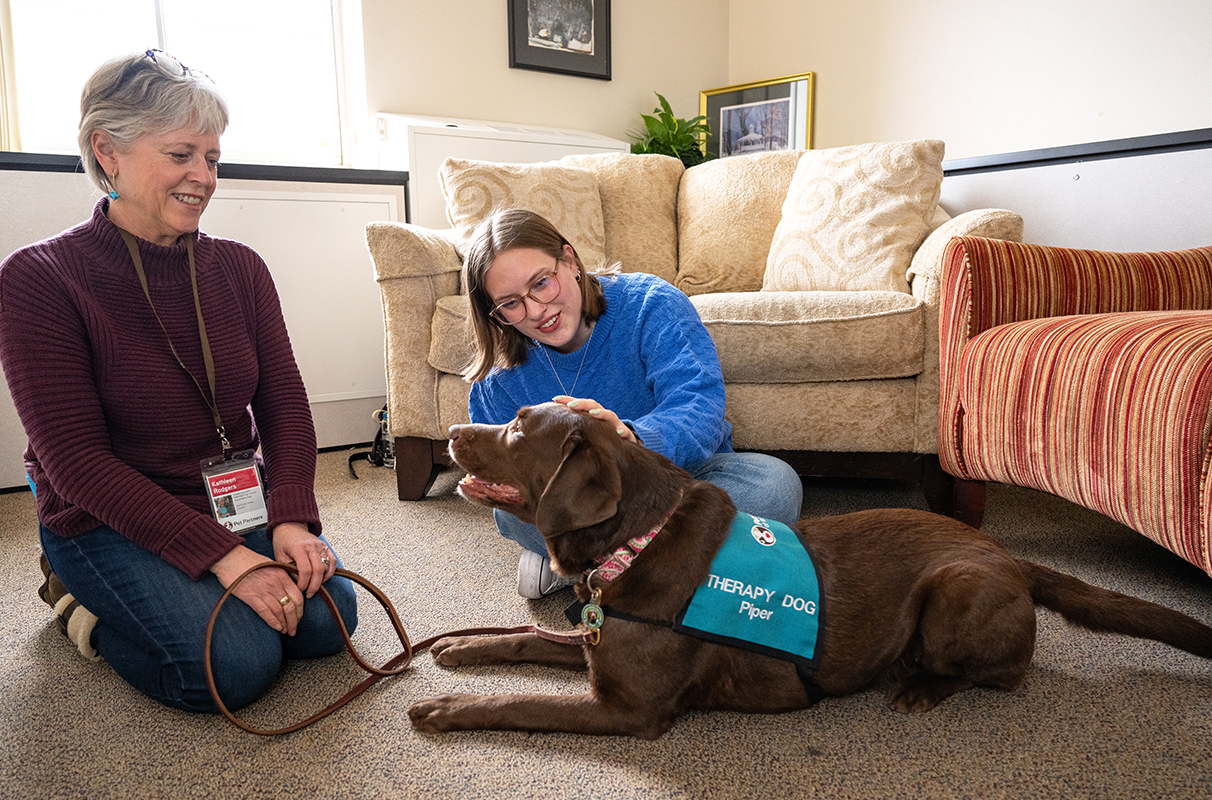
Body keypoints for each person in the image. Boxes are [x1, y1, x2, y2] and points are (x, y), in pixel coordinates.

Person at [0, 50, 357, 713]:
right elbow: (76, 465)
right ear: (107, 151)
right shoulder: (39, 278)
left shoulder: (241, 268)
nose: (205, 177)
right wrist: (229, 560)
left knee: (327, 621)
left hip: (228, 498)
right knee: (235, 666)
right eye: (181, 155)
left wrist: (290, 518)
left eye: (213, 158)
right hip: (106, 518)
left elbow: (284, 406)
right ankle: (80, 608)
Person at [462, 208, 803, 599]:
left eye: (542, 283)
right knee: (510, 517)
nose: (537, 310)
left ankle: (589, 567)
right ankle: (685, 571)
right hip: (577, 503)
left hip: (679, 483)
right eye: (510, 303)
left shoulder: (651, 304)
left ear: (569, 261)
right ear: (494, 313)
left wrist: (631, 437)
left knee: (773, 488)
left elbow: (699, 407)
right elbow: (502, 471)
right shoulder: (498, 379)